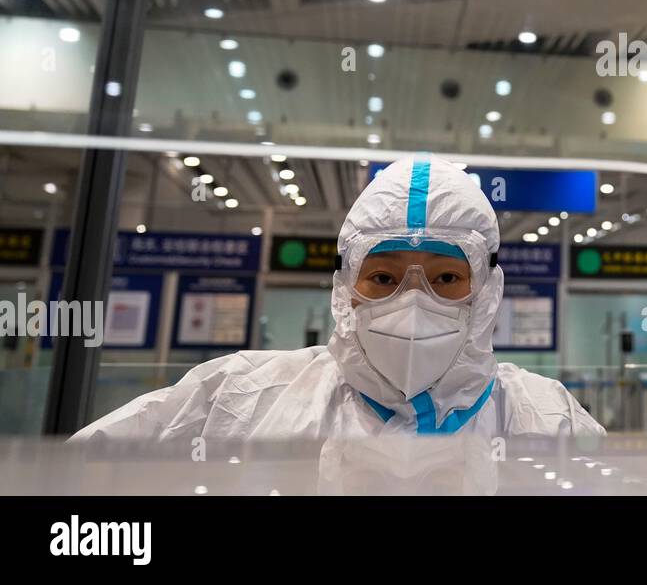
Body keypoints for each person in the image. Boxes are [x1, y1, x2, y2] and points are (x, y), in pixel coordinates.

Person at [72, 155, 604, 440]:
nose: (412, 302)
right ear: (345, 288)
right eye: (382, 278)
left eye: (445, 279)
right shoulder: (235, 399)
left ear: (487, 291)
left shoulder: (547, 419)